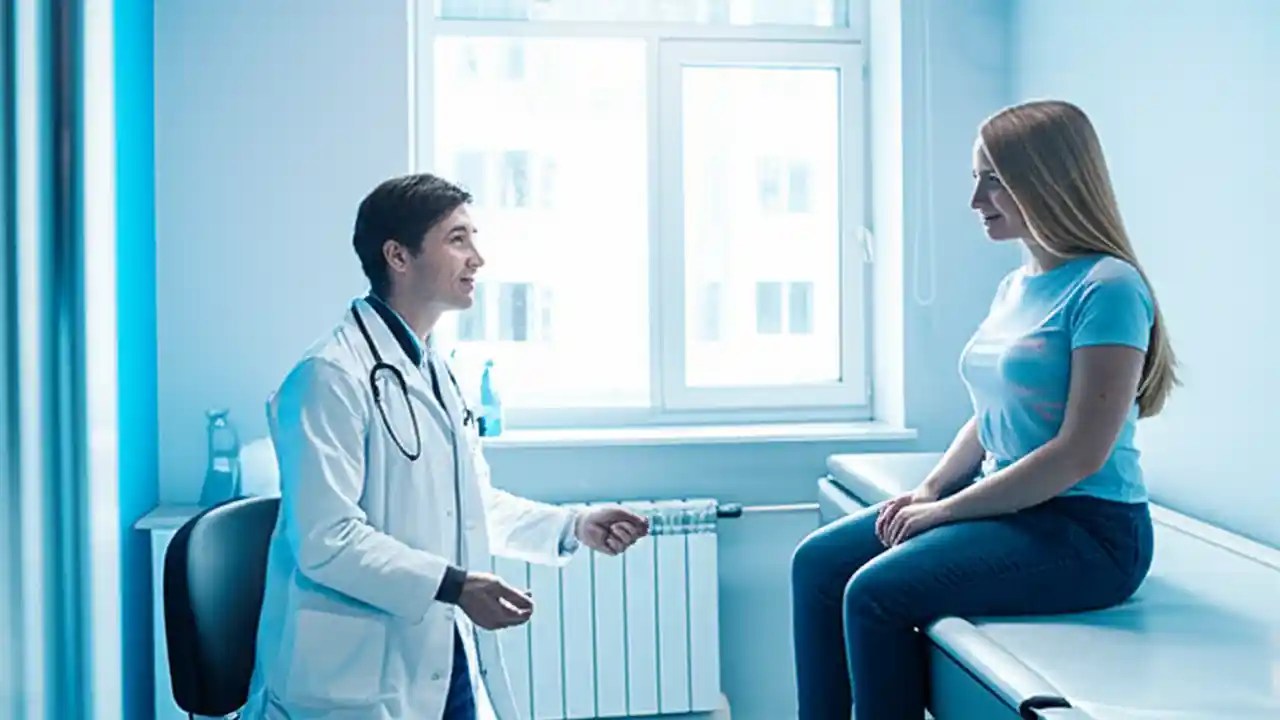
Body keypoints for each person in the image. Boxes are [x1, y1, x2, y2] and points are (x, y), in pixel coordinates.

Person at [790, 99, 1177, 719]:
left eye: (994, 179)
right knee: (816, 563)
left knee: (875, 594)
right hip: (1014, 510)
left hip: (1089, 532)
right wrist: (929, 491)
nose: (976, 199)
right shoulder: (1016, 285)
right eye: (976, 177)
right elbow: (990, 413)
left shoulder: (1109, 287)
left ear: (1047, 180)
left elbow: (1080, 453)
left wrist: (945, 512)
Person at [243, 173, 650, 720]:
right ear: (398, 256)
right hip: (352, 676)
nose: (477, 258)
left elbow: (470, 507)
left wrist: (574, 525)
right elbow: (326, 540)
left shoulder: (434, 371)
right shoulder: (328, 376)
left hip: (435, 648)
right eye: (458, 239)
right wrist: (455, 585)